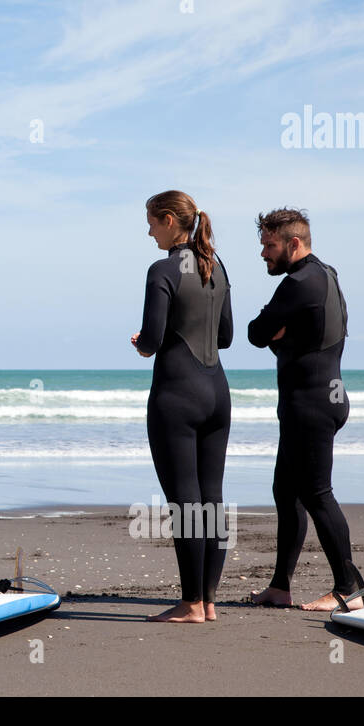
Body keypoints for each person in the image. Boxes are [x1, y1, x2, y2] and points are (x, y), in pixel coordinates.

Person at [130, 192, 233, 624]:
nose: (148, 230)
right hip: (217, 393)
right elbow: (225, 336)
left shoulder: (163, 270)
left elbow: (152, 341)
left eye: (152, 222)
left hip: (177, 396)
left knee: (185, 503)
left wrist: (142, 343)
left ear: (171, 221)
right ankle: (207, 601)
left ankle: (190, 603)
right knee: (212, 499)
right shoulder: (217, 266)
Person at [246, 208, 354, 612]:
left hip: (308, 404)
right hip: (326, 397)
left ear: (294, 244)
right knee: (286, 491)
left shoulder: (297, 283)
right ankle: (279, 587)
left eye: (269, 245)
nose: (263, 254)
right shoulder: (327, 273)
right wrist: (285, 338)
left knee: (316, 494)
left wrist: (278, 335)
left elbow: (256, 333)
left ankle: (347, 588)